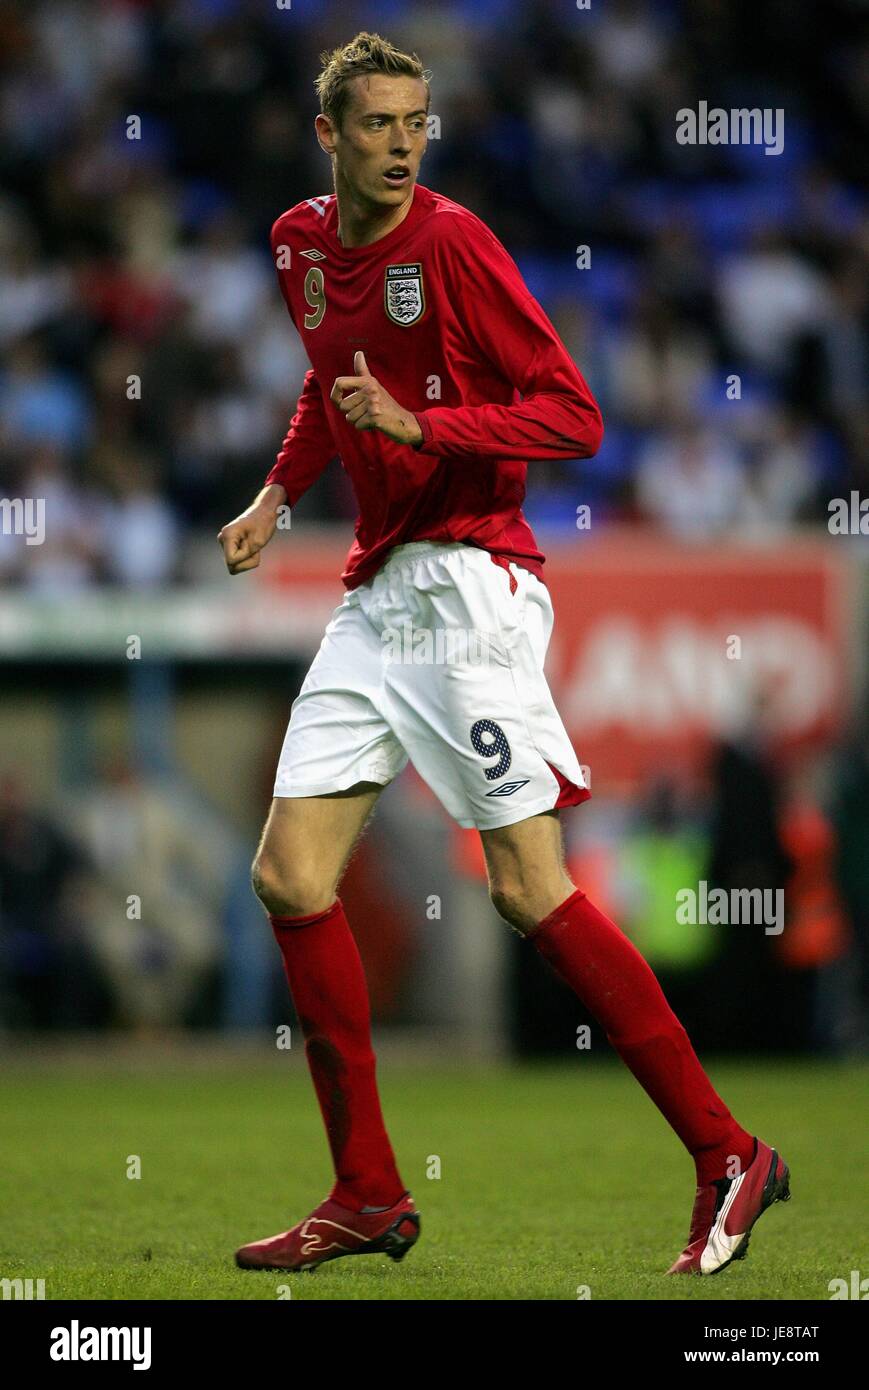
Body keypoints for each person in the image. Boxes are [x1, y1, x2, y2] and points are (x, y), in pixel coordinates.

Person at [218, 32, 789, 1277]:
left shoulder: (455, 244)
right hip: (379, 592)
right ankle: (366, 1190)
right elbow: (330, 384)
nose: (405, 141)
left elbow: (573, 412)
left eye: (418, 120)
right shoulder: (296, 244)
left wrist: (425, 424)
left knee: (531, 891)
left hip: (472, 582)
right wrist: (275, 494)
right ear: (329, 134)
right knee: (290, 876)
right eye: (378, 123)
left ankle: (726, 1151)